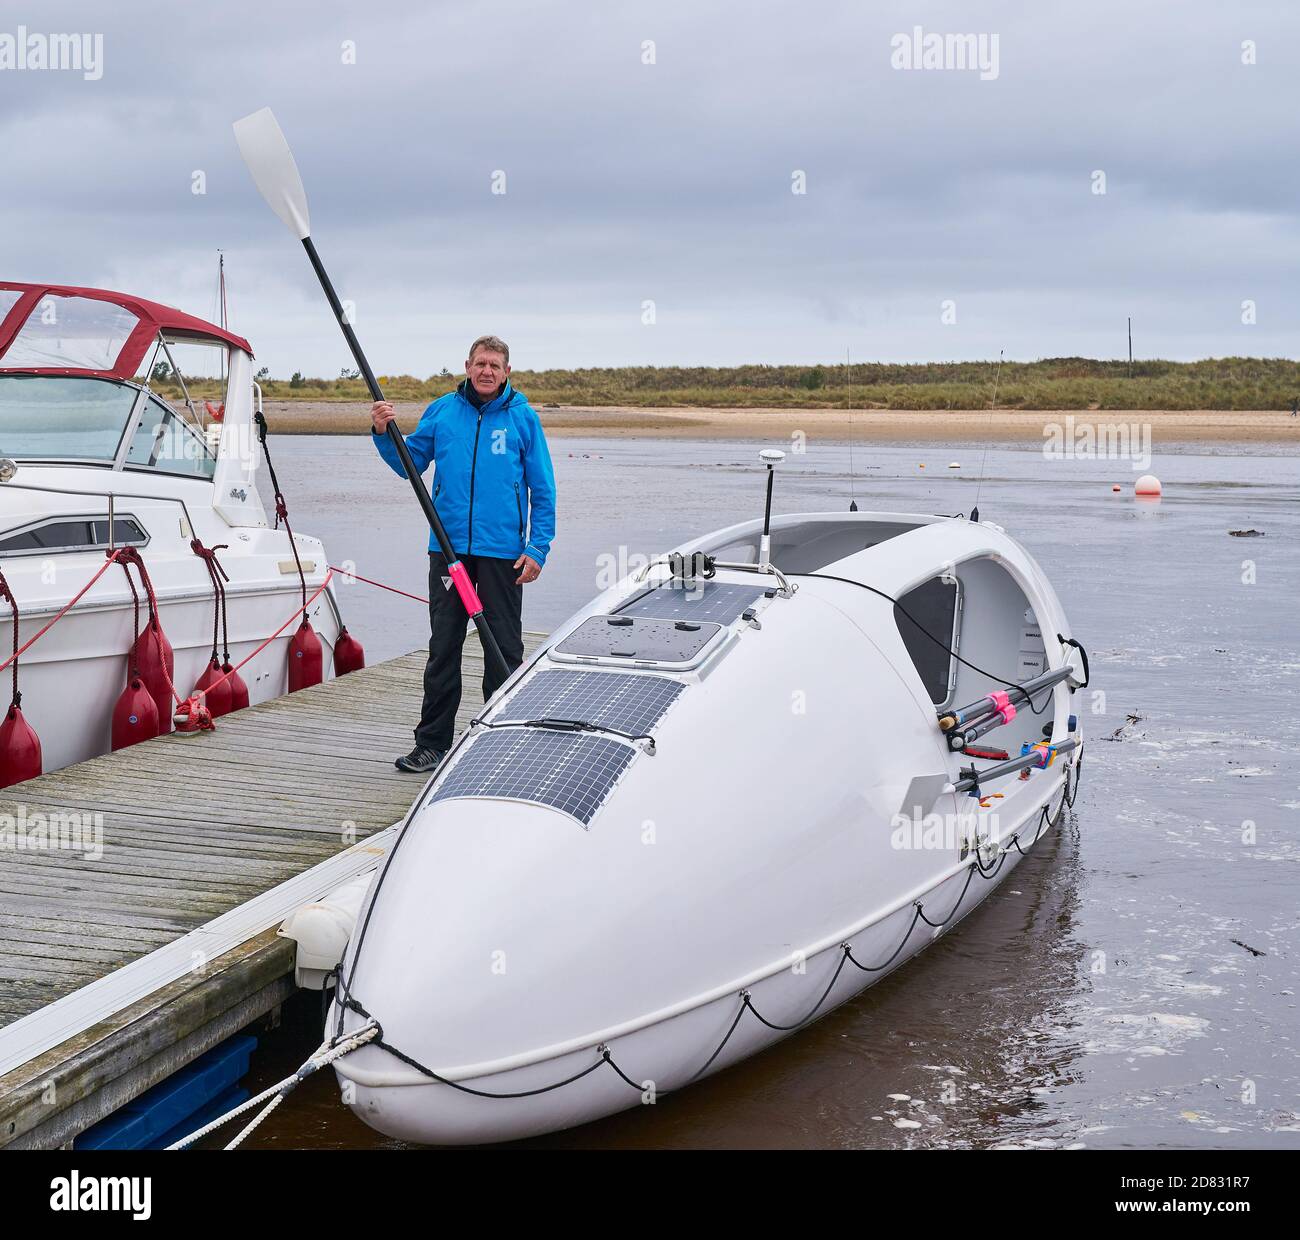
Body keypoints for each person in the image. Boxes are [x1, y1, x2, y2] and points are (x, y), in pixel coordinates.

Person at [370, 335, 556, 772]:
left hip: (503, 554)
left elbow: (542, 491)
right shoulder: (442, 411)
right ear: (467, 366)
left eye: (495, 365)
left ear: (507, 371)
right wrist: (383, 433)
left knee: (503, 650)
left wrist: (538, 548)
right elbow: (410, 464)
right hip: (448, 549)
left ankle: (502, 742)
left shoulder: (523, 419)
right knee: (443, 647)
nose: (486, 371)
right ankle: (431, 744)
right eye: (480, 363)